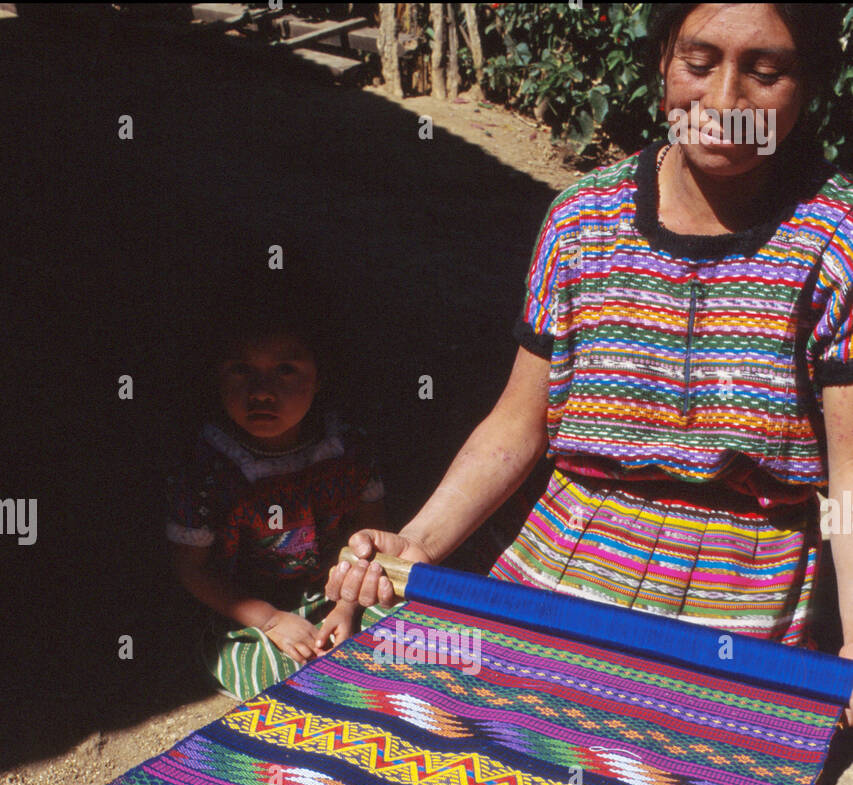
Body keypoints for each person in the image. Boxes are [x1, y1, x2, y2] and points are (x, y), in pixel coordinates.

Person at [325, 3, 853, 721]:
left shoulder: (834, 244)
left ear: (809, 83)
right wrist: (417, 541)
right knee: (433, 743)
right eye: (699, 63)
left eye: (766, 73)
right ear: (663, 60)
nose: (725, 101)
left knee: (669, 775)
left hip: (737, 600)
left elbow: (848, 481)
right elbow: (517, 426)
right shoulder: (583, 219)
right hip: (559, 566)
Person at [166, 288, 387, 699]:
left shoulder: (345, 447)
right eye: (241, 370)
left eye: (286, 370)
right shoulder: (208, 468)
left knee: (404, 630)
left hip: (337, 590)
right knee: (288, 677)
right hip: (245, 610)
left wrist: (347, 606)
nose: (261, 391)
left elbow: (371, 530)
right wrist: (269, 620)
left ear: (320, 377)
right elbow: (191, 568)